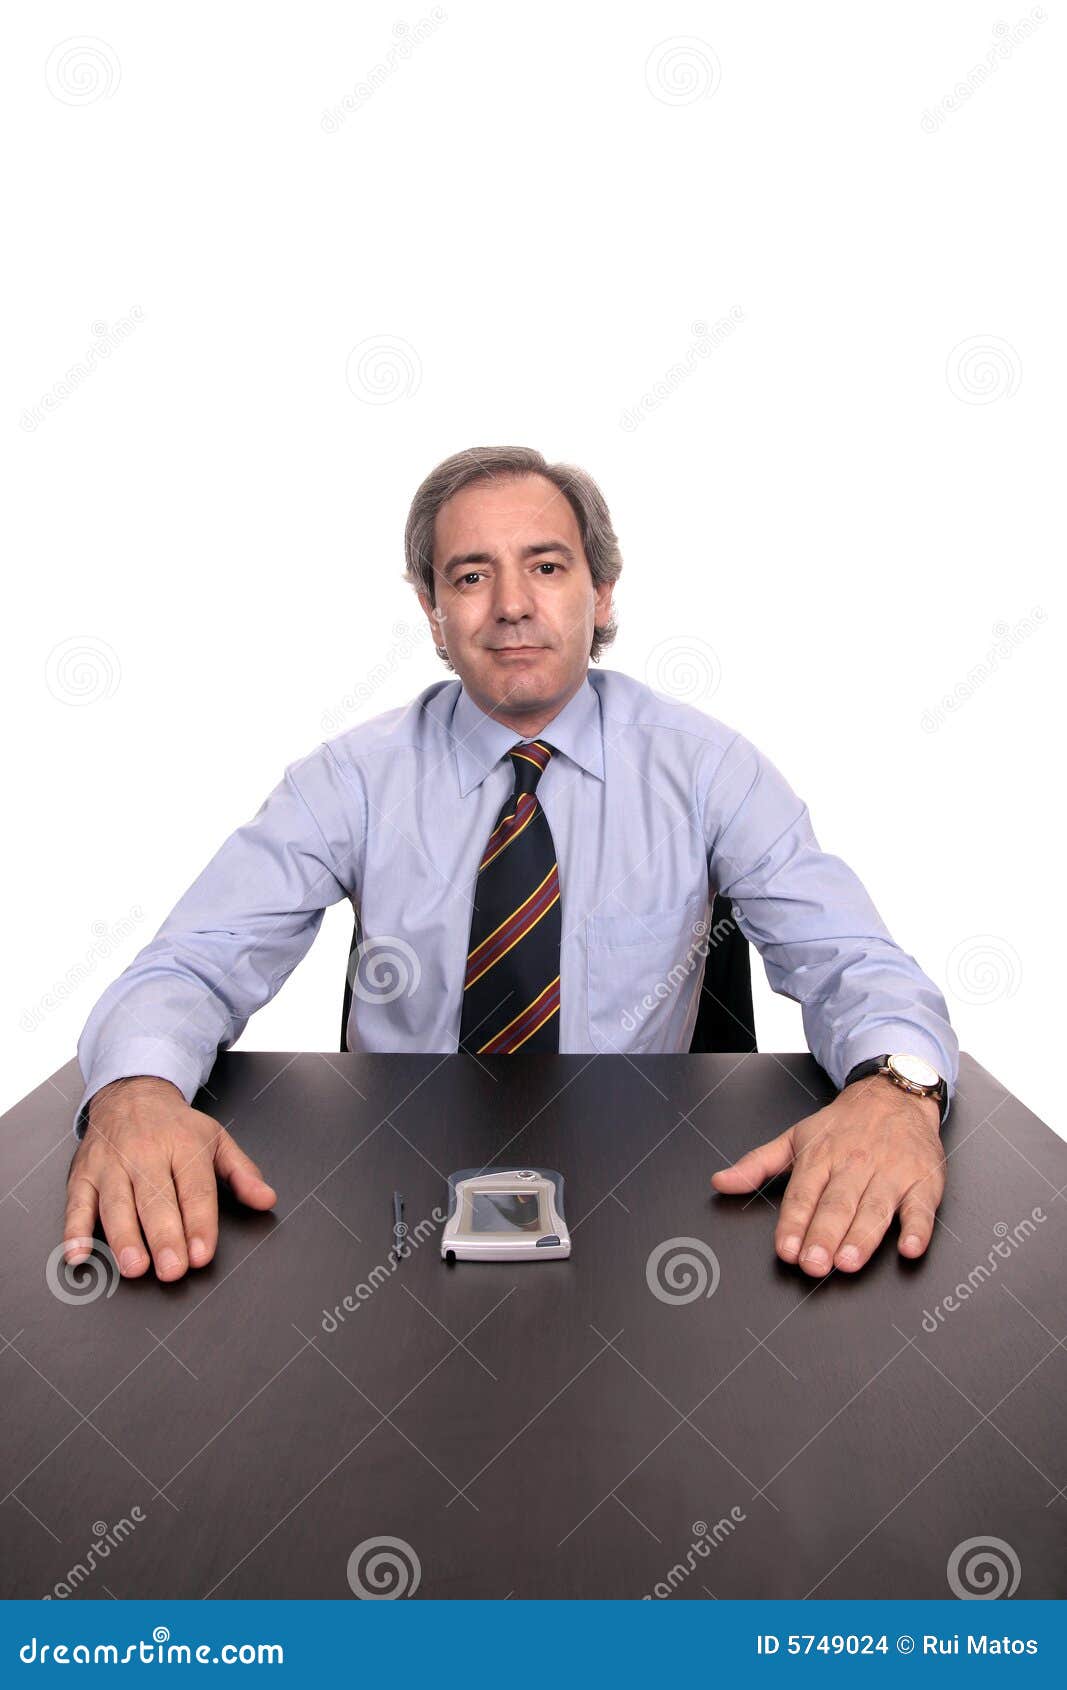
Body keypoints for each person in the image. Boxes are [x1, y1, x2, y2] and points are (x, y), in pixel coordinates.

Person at [65, 445, 957, 1286]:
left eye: (546, 566)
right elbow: (191, 959)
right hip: (389, 1208)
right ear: (432, 611)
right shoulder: (351, 779)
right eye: (470, 575)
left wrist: (898, 1086)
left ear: (600, 594)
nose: (511, 605)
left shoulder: (707, 768)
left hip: (648, 1205)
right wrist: (137, 1093)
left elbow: (849, 959)